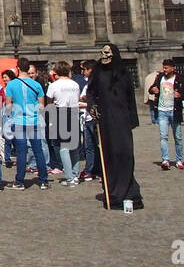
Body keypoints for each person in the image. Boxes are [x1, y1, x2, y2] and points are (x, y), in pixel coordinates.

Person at [85, 43, 143, 211]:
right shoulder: (97, 72)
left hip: (122, 119)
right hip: (105, 119)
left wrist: (132, 119)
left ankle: (129, 191)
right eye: (102, 53)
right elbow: (91, 92)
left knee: (125, 154)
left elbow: (130, 97)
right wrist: (92, 106)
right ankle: (113, 192)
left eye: (107, 53)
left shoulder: (123, 72)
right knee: (109, 155)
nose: (104, 56)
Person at [2, 69, 48, 189]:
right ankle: (44, 180)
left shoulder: (11, 84)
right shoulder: (36, 84)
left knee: (21, 152)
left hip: (18, 121)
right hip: (33, 121)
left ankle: (19, 181)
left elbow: (8, 105)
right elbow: (42, 106)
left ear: (18, 68)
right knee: (38, 151)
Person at [145, 58, 184, 170]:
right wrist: (153, 90)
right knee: (163, 136)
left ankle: (179, 160)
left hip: (174, 111)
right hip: (162, 111)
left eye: (166, 68)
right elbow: (151, 89)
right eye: (163, 67)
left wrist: (180, 95)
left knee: (178, 137)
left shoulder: (179, 79)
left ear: (172, 68)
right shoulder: (160, 77)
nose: (164, 70)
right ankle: (165, 160)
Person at [45, 61, 84, 185]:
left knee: (64, 148)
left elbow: (49, 102)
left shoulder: (54, 85)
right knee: (74, 147)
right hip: (74, 112)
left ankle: (69, 177)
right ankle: (75, 174)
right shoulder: (75, 84)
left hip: (60, 113)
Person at [75, 59, 99, 183]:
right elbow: (82, 98)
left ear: (91, 70)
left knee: (96, 145)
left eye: (84, 69)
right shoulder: (87, 84)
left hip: (93, 119)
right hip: (86, 118)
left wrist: (85, 102)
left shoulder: (97, 84)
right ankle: (89, 169)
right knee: (88, 146)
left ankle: (97, 169)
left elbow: (97, 101)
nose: (82, 72)